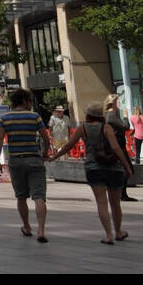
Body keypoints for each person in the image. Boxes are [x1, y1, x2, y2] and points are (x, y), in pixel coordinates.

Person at [48, 102, 134, 244]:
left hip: (94, 168)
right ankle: (118, 232)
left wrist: (54, 157)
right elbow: (116, 148)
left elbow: (69, 145)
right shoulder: (107, 128)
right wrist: (127, 167)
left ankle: (108, 235)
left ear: (88, 114)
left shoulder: (83, 128)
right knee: (115, 203)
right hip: (113, 168)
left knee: (101, 203)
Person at [0, 89, 53, 242]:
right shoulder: (35, 117)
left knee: (21, 197)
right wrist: (44, 153)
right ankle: (41, 230)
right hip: (34, 160)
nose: (31, 104)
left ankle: (26, 226)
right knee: (39, 197)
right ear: (25, 101)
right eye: (30, 101)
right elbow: (46, 139)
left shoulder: (5, 118)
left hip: (16, 161)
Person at [104, 95, 137, 201]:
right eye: (117, 101)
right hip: (118, 145)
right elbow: (125, 127)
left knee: (126, 170)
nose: (119, 103)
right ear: (112, 103)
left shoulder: (111, 115)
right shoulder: (111, 115)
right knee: (127, 169)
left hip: (120, 144)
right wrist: (126, 117)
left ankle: (121, 193)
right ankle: (120, 193)